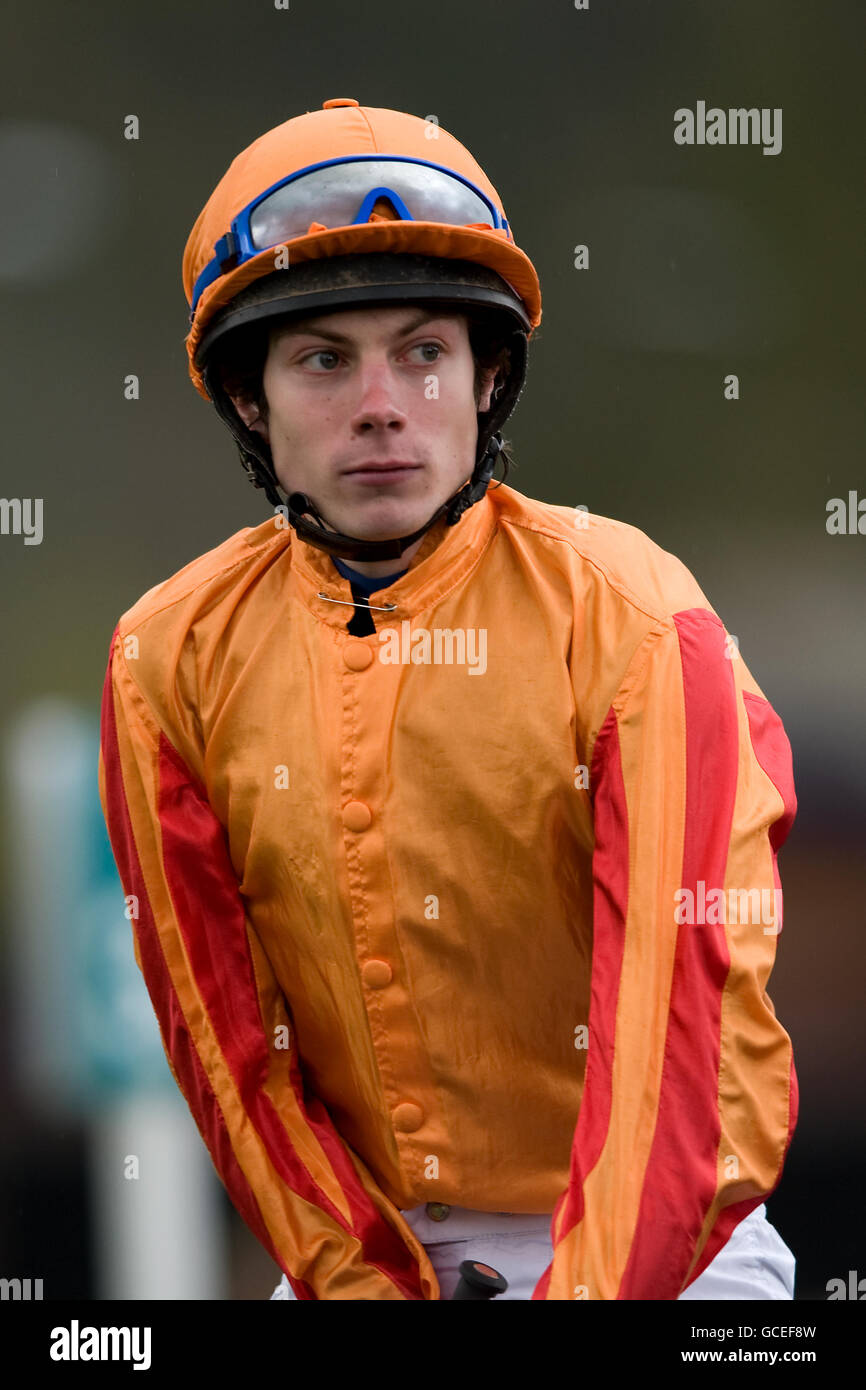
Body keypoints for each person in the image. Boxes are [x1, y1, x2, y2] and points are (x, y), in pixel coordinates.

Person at [98, 98, 798, 1300]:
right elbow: (226, 1049)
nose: (381, 404)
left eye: (423, 352)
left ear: (486, 381)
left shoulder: (635, 616)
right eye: (323, 358)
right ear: (249, 403)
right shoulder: (165, 656)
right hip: (359, 1250)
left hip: (665, 1246)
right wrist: (366, 1283)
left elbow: (683, 1043)